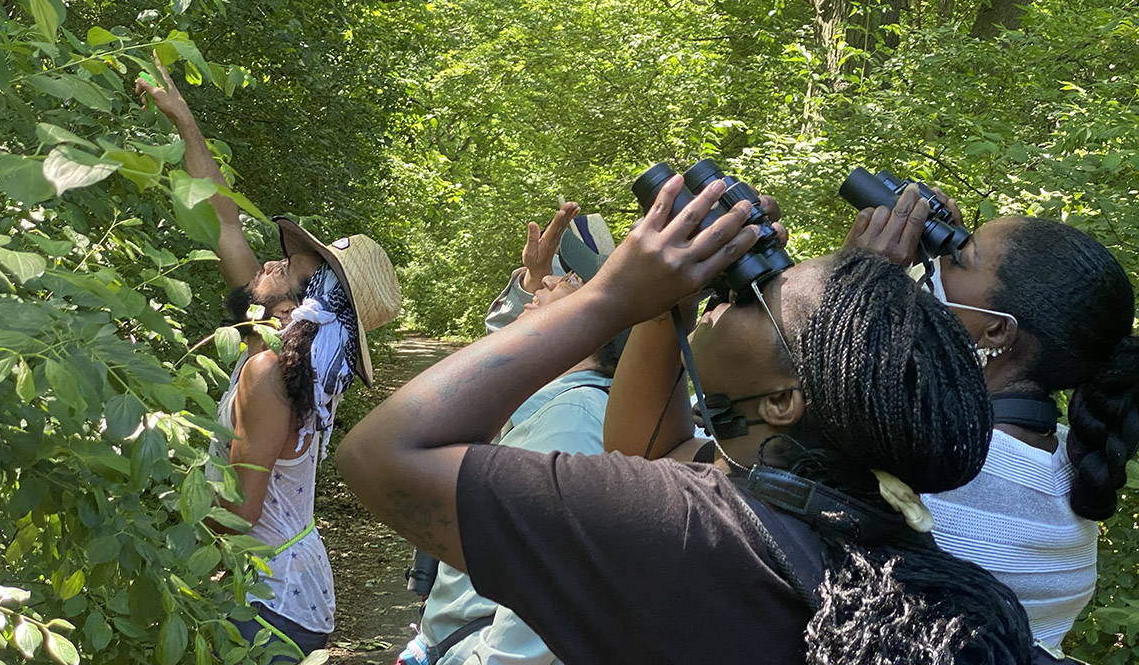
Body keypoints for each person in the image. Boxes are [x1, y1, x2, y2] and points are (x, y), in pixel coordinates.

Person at [336, 176, 1033, 664]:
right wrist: (669, 304)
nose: (730, 302)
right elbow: (648, 445)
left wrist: (607, 299)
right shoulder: (868, 529)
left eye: (755, 299)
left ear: (785, 401)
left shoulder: (671, 529)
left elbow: (382, 454)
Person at [136, 59, 403, 660]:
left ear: (312, 302)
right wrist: (185, 124)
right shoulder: (281, 355)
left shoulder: (270, 372)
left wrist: (155, 550)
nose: (276, 261)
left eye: (296, 264)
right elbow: (224, 220)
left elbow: (240, 513)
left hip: (264, 602)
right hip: (288, 592)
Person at [845, 184, 1139, 652]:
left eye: (958, 260)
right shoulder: (1067, 456)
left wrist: (854, 287)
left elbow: (702, 460)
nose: (938, 263)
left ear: (998, 328)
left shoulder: (935, 465)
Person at [401, 210, 621, 665]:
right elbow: (495, 365)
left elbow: (545, 601)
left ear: (595, 323)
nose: (545, 286)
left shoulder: (573, 418)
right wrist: (536, 277)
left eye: (568, 280)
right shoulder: (552, 398)